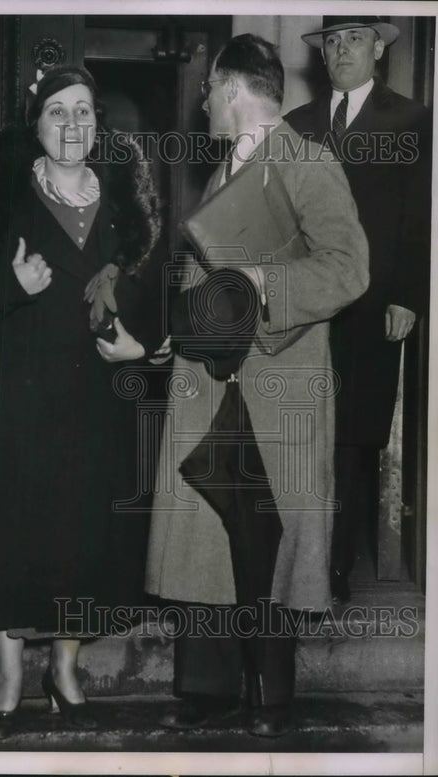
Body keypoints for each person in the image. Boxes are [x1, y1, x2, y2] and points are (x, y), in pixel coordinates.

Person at [145, 33, 369, 737]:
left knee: (269, 541)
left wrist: (265, 285)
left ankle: (269, 697)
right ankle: (209, 688)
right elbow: (207, 281)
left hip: (278, 382)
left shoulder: (308, 161)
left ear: (231, 85)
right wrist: (178, 329)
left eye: (209, 90)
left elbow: (349, 268)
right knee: (211, 535)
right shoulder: (222, 172)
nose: (203, 102)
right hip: (211, 379)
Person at [0, 65, 163, 738]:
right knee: (14, 535)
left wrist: (141, 343)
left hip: (98, 400)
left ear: (99, 124)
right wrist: (10, 287)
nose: (72, 125)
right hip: (17, 398)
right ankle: (8, 675)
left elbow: (153, 294)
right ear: (34, 123)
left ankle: (63, 668)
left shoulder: (128, 202)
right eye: (58, 112)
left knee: (85, 535)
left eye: (84, 112)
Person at [285, 16, 432, 603]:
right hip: (308, 304)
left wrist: (408, 295)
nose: (341, 49)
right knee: (305, 429)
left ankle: (336, 564)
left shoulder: (414, 121)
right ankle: (299, 564)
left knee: (354, 435)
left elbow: (420, 216)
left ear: (378, 48)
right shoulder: (296, 126)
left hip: (374, 304)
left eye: (355, 38)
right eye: (332, 40)